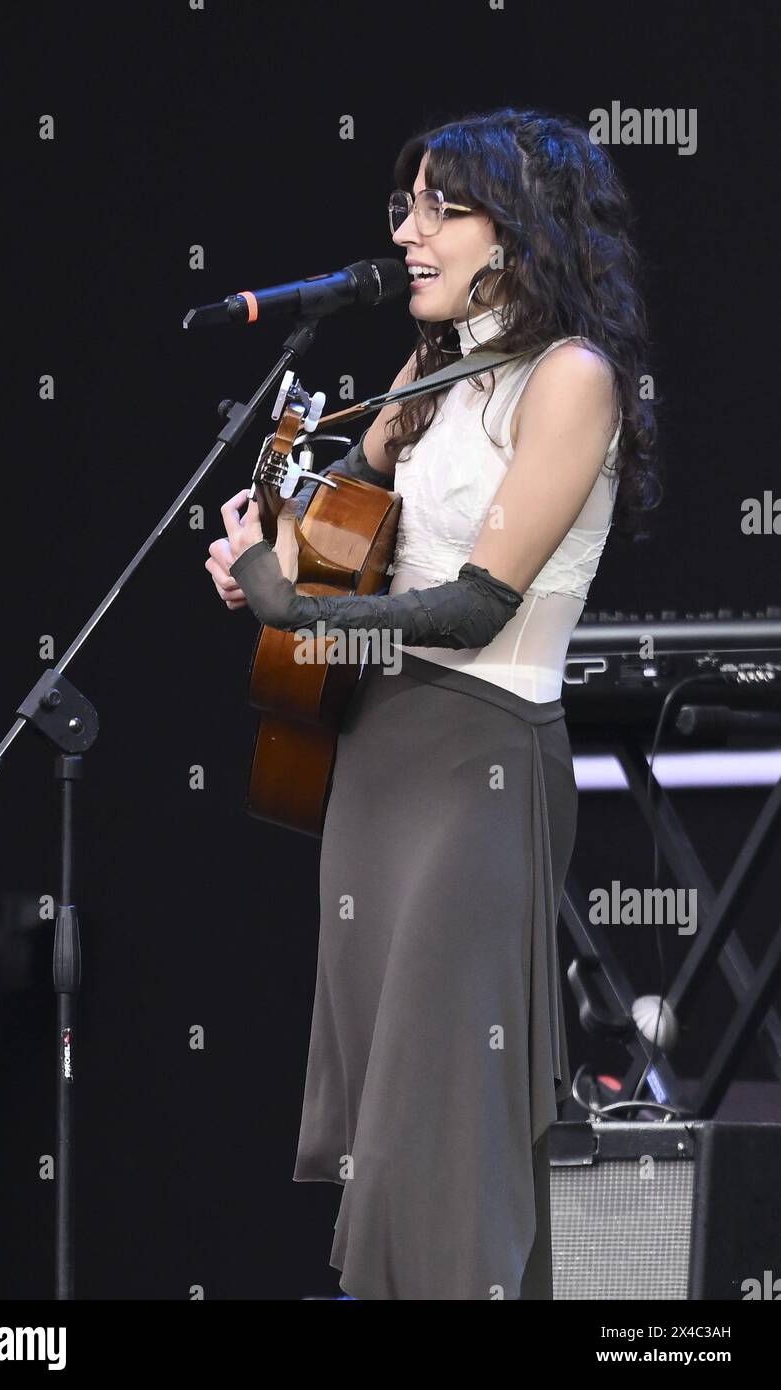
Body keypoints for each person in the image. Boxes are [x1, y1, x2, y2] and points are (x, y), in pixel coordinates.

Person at [207, 108, 659, 1300]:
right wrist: (269, 551)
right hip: (375, 757)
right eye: (401, 207)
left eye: (436, 208)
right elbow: (338, 536)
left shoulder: (570, 379)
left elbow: (472, 605)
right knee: (383, 1109)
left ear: (512, 231)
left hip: (479, 761)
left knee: (439, 1101)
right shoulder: (428, 368)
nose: (407, 234)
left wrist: (297, 614)